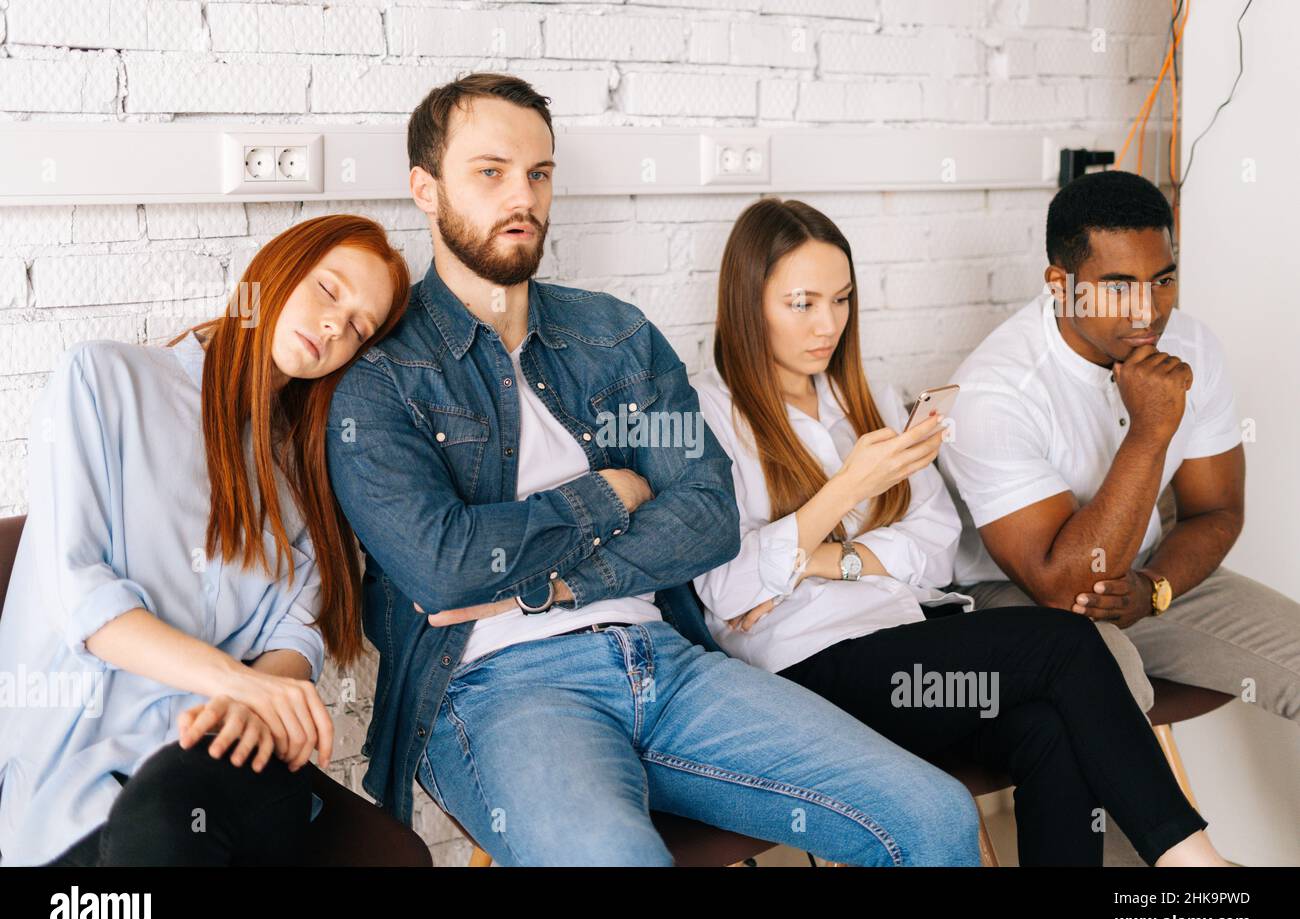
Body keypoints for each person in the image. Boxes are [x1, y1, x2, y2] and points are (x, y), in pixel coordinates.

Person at [325, 73, 982, 866]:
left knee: (935, 815)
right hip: (499, 688)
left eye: (539, 174)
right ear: (424, 190)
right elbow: (445, 564)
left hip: (668, 661)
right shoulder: (382, 378)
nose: (522, 197)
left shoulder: (618, 337)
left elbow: (705, 517)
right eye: (490, 172)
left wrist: (547, 586)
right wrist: (611, 494)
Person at [692, 196, 1228, 866]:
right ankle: (1193, 861)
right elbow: (728, 588)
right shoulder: (708, 419)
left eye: (842, 299)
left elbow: (937, 547)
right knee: (1064, 643)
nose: (826, 324)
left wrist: (822, 561)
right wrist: (848, 489)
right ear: (749, 303)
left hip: (907, 648)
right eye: (802, 303)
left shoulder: (872, 400)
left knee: (1048, 730)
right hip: (812, 671)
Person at [0, 215, 411, 865]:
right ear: (275, 271)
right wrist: (240, 685)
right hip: (71, 783)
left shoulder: (303, 486)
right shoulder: (105, 381)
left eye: (359, 327)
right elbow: (80, 595)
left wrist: (261, 699)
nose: (336, 327)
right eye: (330, 291)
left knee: (168, 815)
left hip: (224, 765)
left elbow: (296, 639)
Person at [938, 170, 1300, 725]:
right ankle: (1151, 818)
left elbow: (1217, 510)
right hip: (1014, 594)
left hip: (1147, 574)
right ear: (1060, 284)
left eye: (1163, 280)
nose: (1148, 310)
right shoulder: (993, 394)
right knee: (1110, 682)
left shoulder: (1193, 346)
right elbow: (1064, 589)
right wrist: (1151, 431)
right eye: (1118, 286)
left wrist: (1155, 588)